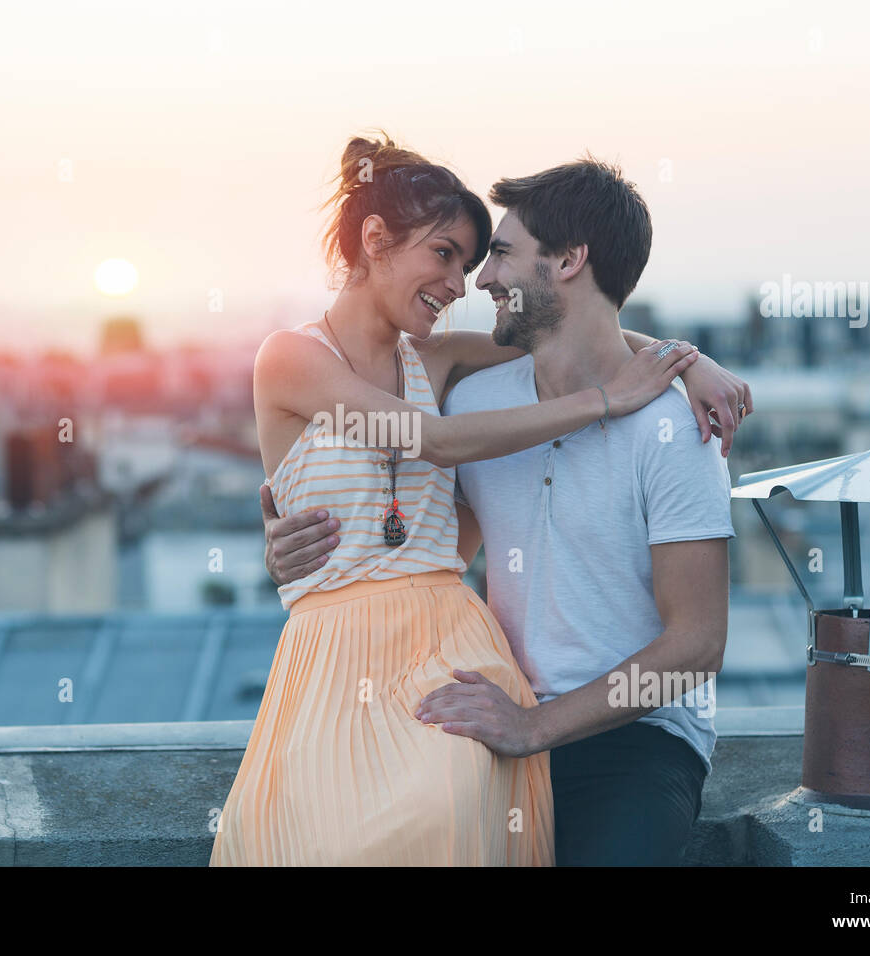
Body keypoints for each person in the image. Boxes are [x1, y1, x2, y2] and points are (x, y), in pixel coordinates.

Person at [210, 132, 716, 867]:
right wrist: (610, 400)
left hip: (511, 677)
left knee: (433, 814)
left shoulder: (447, 366)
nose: (466, 284)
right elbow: (433, 452)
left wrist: (691, 365)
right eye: (445, 254)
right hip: (364, 659)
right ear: (375, 240)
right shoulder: (309, 362)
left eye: (484, 260)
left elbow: (578, 321)